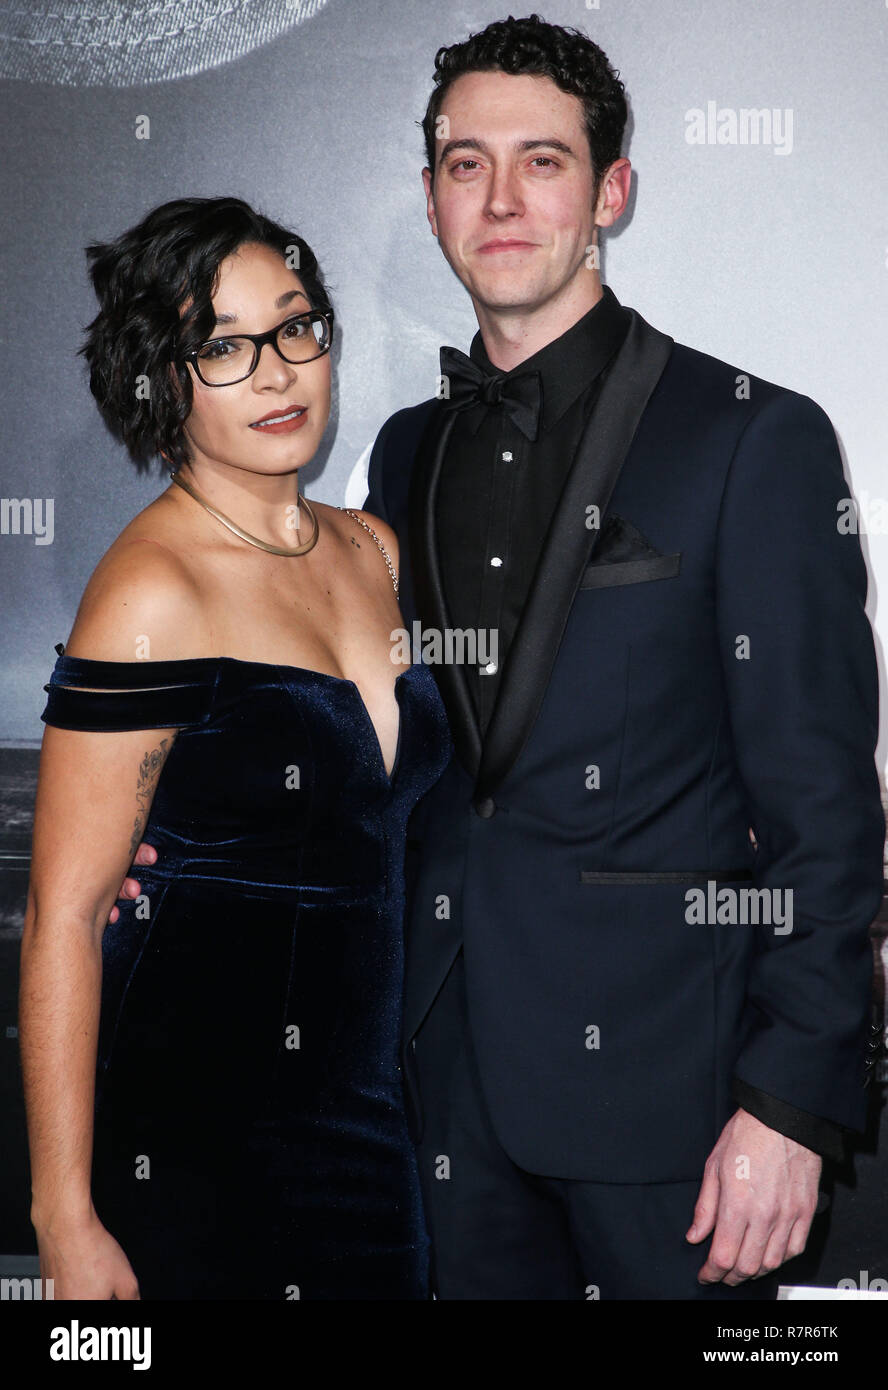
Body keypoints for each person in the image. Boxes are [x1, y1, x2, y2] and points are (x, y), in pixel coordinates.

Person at [117, 18, 885, 1300]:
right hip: (433, 1085)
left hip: (678, 1113)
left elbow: (823, 808)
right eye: (465, 164)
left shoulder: (756, 438)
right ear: (429, 200)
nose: (503, 196)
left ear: (611, 193)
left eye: (543, 159)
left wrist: (790, 1105)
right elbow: (381, 746)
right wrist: (192, 843)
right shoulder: (407, 454)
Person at [19, 196, 451, 1300]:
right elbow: (65, 916)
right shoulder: (150, 587)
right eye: (223, 346)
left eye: (297, 326)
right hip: (194, 1136)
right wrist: (64, 1216)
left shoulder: (378, 551)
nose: (278, 370)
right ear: (161, 383)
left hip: (368, 1126)